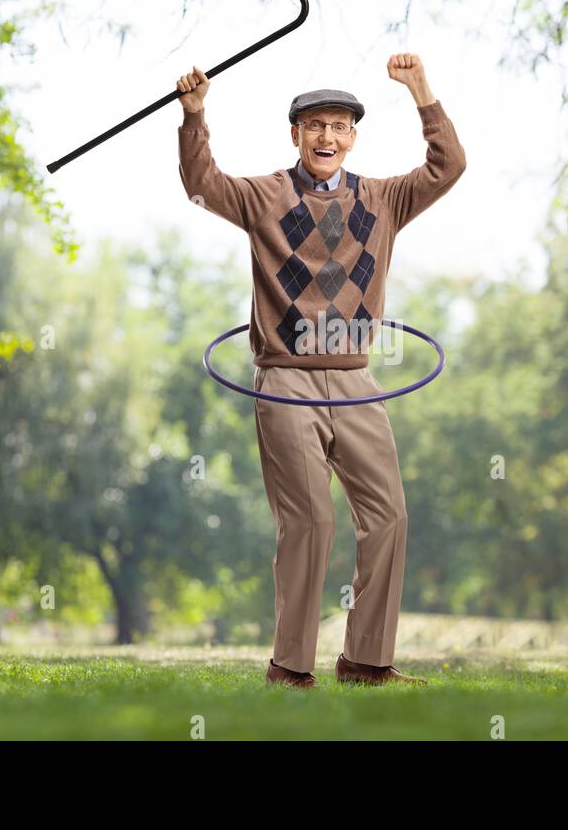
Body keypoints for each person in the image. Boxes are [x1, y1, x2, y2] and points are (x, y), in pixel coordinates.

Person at [177, 54, 466, 687]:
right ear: (295, 135)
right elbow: (201, 183)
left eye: (338, 126)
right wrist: (194, 116)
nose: (326, 137)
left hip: (357, 380)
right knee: (310, 520)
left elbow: (448, 167)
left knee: (388, 515)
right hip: (285, 379)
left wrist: (421, 90)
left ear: (353, 135)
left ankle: (365, 660)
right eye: (314, 126)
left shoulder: (384, 199)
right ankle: (290, 666)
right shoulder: (262, 198)